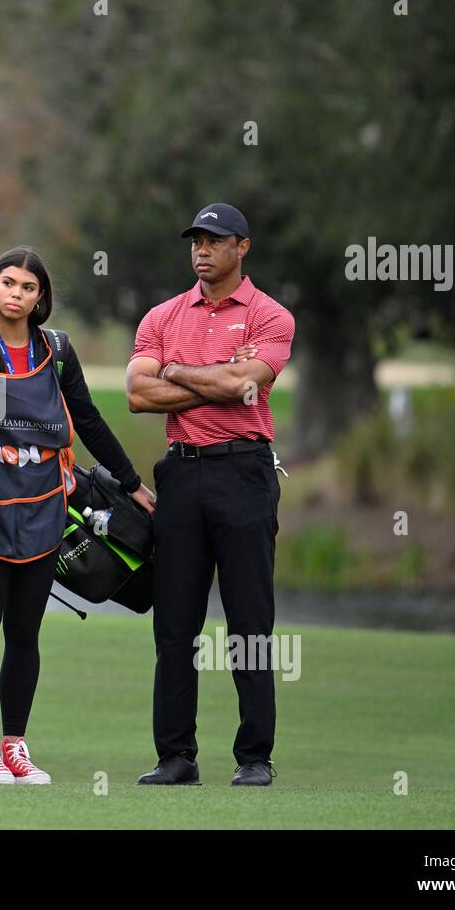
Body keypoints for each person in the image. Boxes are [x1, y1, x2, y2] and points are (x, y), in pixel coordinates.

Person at [0, 247, 156, 785]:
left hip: (44, 508)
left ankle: (15, 745)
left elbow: (89, 420)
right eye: (6, 283)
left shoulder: (56, 350)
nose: (16, 294)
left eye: (27, 287)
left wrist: (131, 483)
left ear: (42, 297)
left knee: (26, 633)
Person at [125, 203, 295, 787]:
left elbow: (247, 385)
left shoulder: (271, 316)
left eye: (215, 240)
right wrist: (218, 377)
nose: (201, 249)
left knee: (250, 623)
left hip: (244, 472)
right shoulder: (163, 316)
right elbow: (137, 395)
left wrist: (176, 373)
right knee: (174, 624)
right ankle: (176, 756)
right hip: (182, 474)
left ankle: (254, 758)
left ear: (241, 247)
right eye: (195, 240)